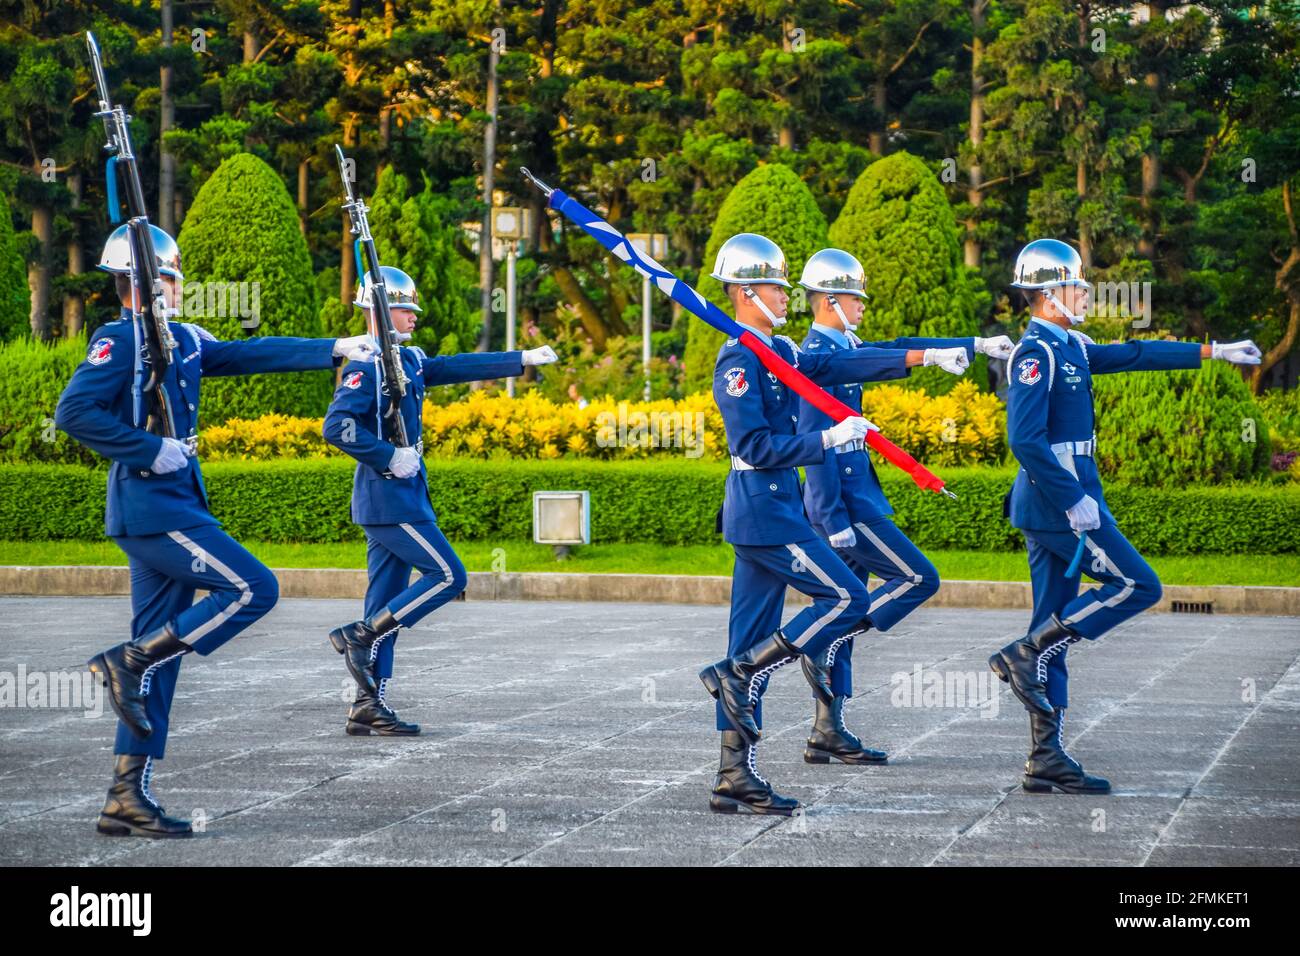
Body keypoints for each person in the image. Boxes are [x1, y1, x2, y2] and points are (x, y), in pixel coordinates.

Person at [58, 223, 378, 837]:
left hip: (171, 507)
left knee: (160, 660)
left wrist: (335, 348)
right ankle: (127, 661)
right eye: (174, 278)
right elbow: (74, 413)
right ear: (153, 282)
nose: (180, 289)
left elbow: (242, 354)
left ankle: (126, 795)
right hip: (156, 509)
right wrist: (149, 448)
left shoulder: (176, 338)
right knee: (253, 589)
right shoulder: (120, 339)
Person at [990, 238, 1261, 794]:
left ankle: (1045, 756)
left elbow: (1136, 354)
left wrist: (1214, 352)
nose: (1084, 293)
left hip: (1062, 501)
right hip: (1057, 504)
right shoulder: (1036, 354)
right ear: (1046, 296)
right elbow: (1025, 439)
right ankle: (1025, 652)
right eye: (1075, 286)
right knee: (1138, 584)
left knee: (1054, 619)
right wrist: (1072, 499)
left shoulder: (1072, 346)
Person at [698, 233, 917, 815]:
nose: (786, 294)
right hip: (762, 512)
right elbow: (753, 443)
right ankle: (736, 673)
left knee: (749, 637)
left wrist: (923, 356)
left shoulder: (781, 350)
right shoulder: (739, 357)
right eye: (775, 286)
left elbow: (838, 360)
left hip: (774, 510)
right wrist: (824, 437)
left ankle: (732, 773)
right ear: (746, 292)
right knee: (845, 595)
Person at [794, 246, 1015, 764]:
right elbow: (813, 438)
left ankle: (828, 728)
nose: (864, 305)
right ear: (830, 300)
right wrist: (831, 518)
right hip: (846, 506)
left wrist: (974, 344)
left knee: (839, 604)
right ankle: (815, 641)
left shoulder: (843, 346)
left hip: (855, 498)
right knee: (918, 578)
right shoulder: (814, 356)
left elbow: (896, 347)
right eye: (856, 297)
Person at [322, 266, 557, 735]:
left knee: (384, 600)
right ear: (381, 311)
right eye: (406, 308)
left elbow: (453, 366)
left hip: (400, 499)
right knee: (449, 575)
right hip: (391, 500)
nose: (414, 317)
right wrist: (389, 455)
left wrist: (521, 358)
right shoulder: (366, 365)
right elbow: (337, 427)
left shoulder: (406, 360)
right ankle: (360, 636)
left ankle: (367, 704)